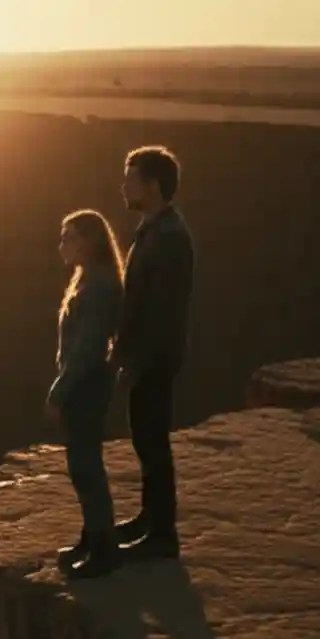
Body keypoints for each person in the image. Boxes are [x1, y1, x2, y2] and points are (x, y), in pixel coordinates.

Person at [112, 145, 195, 562]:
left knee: (153, 441)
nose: (123, 185)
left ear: (154, 185)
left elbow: (160, 312)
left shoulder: (169, 239)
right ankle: (150, 518)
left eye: (131, 178)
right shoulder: (155, 231)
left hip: (155, 360)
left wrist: (136, 362)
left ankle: (162, 535)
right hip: (147, 357)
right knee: (145, 440)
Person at [46, 209, 125, 579]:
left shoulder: (98, 285)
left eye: (69, 237)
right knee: (82, 464)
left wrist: (59, 391)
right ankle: (91, 538)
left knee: (86, 466)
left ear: (89, 242)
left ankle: (103, 549)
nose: (62, 245)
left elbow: (87, 348)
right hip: (85, 381)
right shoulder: (88, 278)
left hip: (86, 383)